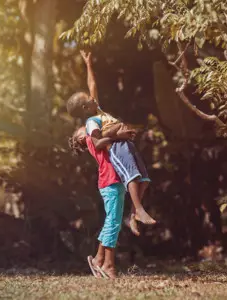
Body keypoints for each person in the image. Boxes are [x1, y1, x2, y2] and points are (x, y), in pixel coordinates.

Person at [66, 51, 156, 236]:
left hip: (126, 143)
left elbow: (92, 85)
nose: (93, 98)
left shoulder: (97, 111)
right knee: (132, 176)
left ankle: (133, 215)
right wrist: (119, 135)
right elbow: (98, 143)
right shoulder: (91, 123)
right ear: (85, 107)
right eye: (89, 99)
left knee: (144, 180)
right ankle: (138, 209)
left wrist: (89, 64)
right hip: (117, 147)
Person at [69, 126, 130, 279]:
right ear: (81, 138)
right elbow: (105, 140)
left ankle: (99, 259)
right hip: (110, 182)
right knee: (113, 222)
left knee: (113, 222)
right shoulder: (91, 140)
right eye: (85, 129)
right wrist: (119, 135)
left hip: (114, 182)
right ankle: (108, 265)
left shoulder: (95, 138)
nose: (90, 127)